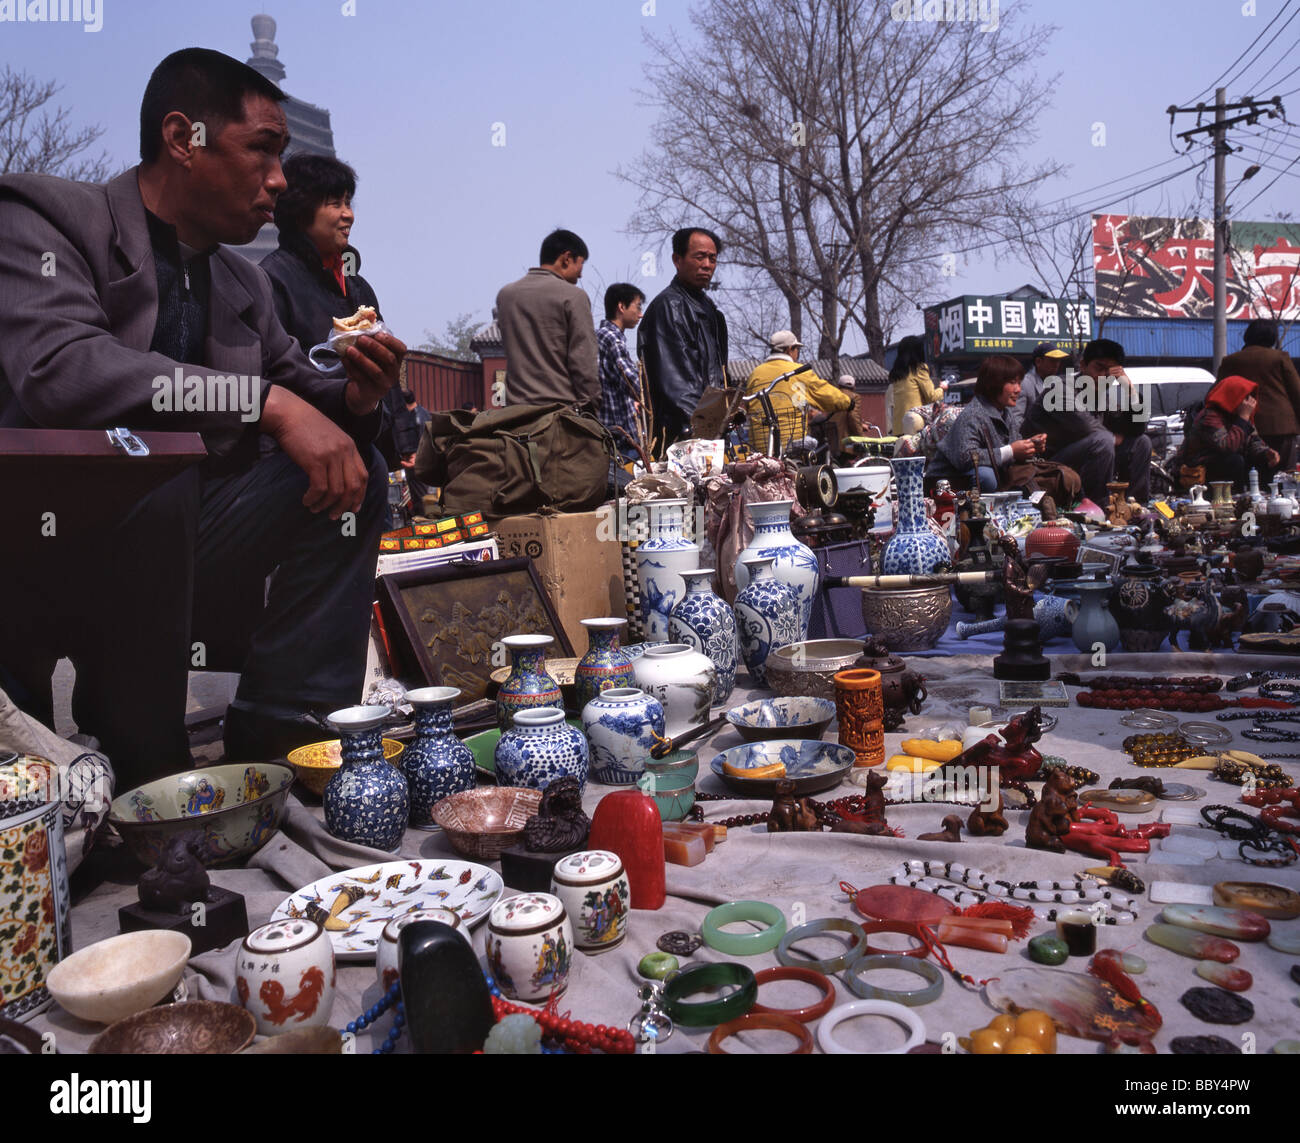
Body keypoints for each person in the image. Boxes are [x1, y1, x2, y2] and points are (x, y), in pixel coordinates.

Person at [0, 48, 406, 784]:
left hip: (182, 542)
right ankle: (144, 754)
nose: (280, 181)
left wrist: (357, 399)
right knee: (156, 467)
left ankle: (284, 730)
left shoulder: (238, 281)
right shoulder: (47, 217)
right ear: (183, 138)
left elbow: (299, 391)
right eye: (263, 151)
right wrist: (259, 402)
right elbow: (61, 370)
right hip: (40, 544)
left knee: (358, 472)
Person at [259, 154, 406, 467]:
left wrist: (404, 443)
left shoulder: (358, 287)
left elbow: (386, 378)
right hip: (309, 457)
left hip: (368, 444)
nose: (348, 215)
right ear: (301, 210)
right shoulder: (272, 280)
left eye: (349, 203)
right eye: (335, 203)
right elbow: (278, 377)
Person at [1023, 338, 1147, 505]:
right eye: (1099, 368)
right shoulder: (1060, 388)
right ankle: (1097, 509)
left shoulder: (1103, 397)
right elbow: (1087, 426)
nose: (1104, 376)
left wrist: (1129, 389)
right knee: (1103, 440)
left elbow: (1138, 428)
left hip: (1078, 461)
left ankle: (1134, 507)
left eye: (1111, 372)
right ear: (1082, 365)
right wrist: (1112, 436)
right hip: (1046, 467)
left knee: (1141, 443)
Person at [638, 227, 729, 446]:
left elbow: (718, 377)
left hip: (707, 434)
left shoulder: (709, 310)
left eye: (712, 258)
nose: (707, 265)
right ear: (677, 260)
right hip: (682, 438)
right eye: (699, 257)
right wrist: (703, 431)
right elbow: (677, 386)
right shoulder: (669, 307)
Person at [495, 228, 599, 410]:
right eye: (580, 265)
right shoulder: (573, 297)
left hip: (515, 416)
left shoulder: (506, 296)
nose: (580, 275)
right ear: (566, 258)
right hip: (559, 415)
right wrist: (590, 409)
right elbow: (584, 363)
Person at [926, 354, 1048, 492]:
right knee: (985, 477)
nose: (1018, 389)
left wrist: (1030, 446)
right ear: (994, 384)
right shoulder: (973, 414)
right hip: (944, 482)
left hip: (980, 475)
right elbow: (966, 458)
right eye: (1013, 382)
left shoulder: (1007, 414)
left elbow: (1014, 447)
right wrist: (1012, 451)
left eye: (1019, 383)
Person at [744, 330, 851, 456]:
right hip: (791, 446)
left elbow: (748, 405)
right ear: (790, 349)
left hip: (758, 447)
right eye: (797, 350)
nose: (797, 353)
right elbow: (825, 394)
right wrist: (848, 402)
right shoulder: (797, 372)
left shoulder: (755, 374)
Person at [1216, 318, 1300, 473]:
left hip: (1245, 426)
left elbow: (1219, 392)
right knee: (1285, 479)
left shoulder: (1230, 361)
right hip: (1280, 426)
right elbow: (1297, 393)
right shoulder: (1280, 357)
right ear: (1272, 337)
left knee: (1255, 479)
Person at [1176, 374, 1279, 491]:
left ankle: (1264, 498)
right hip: (1201, 469)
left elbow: (1253, 441)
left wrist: (1265, 453)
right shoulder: (1210, 416)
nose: (1249, 403)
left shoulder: (1241, 416)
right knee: (1234, 460)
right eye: (1245, 398)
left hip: (1225, 463)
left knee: (1266, 460)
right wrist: (1243, 418)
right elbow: (1227, 446)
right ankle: (1234, 499)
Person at [597, 282, 646, 457]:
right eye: (637, 306)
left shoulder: (602, 335)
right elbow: (636, 385)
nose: (640, 314)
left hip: (610, 435)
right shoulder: (612, 338)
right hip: (619, 439)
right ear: (621, 307)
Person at [888, 335, 942, 436]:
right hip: (915, 427)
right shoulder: (919, 369)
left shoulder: (896, 373)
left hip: (898, 429)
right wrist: (942, 388)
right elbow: (932, 397)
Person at [1015, 341, 1070, 421]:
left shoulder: (1057, 383)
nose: (1057, 364)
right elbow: (1015, 419)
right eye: (1052, 360)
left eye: (1058, 361)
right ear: (1038, 362)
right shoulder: (1025, 383)